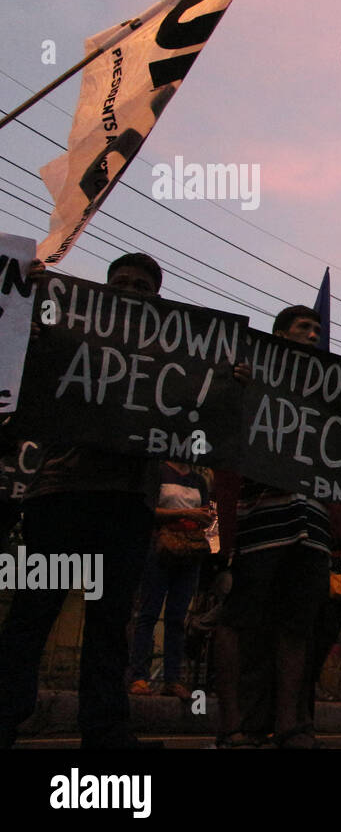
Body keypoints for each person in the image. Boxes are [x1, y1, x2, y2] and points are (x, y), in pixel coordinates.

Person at [0, 253, 169, 749]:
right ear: (105, 287)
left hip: (127, 503)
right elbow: (20, 362)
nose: (131, 290)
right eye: (122, 282)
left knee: (110, 619)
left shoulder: (166, 354)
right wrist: (25, 301)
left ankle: (105, 729)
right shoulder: (65, 332)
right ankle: (7, 715)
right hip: (60, 496)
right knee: (33, 610)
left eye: (142, 285)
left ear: (156, 298)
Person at [215, 306, 332, 749]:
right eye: (304, 328)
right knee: (239, 618)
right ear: (280, 335)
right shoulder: (250, 379)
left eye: (318, 330)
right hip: (258, 522)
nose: (313, 335)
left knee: (298, 624)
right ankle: (232, 724)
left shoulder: (327, 395)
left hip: (312, 527)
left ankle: (290, 725)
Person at [128, 461, 216, 699]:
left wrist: (212, 546)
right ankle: (139, 675)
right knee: (149, 612)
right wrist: (184, 513)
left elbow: (211, 515)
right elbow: (148, 509)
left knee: (177, 617)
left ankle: (172, 678)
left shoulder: (199, 481)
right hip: (160, 547)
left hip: (190, 551)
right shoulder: (158, 471)